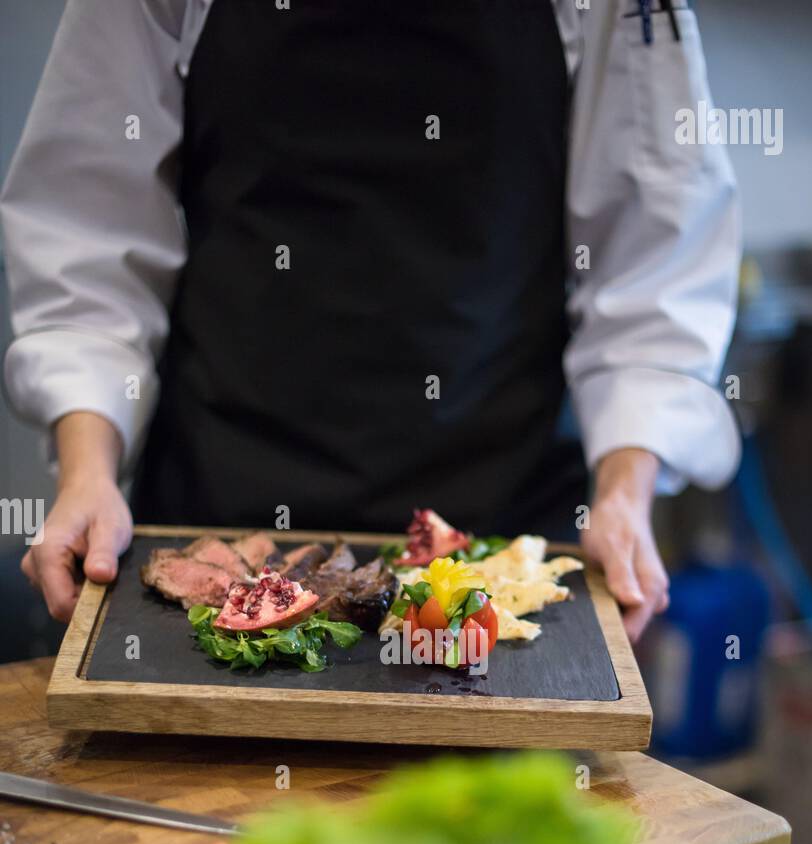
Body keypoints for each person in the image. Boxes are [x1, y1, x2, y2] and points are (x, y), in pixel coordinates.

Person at [1, 0, 740, 642]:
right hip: (217, 499)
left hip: (500, 525)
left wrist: (622, 498)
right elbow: (87, 228)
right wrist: (87, 473)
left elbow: (656, 257)